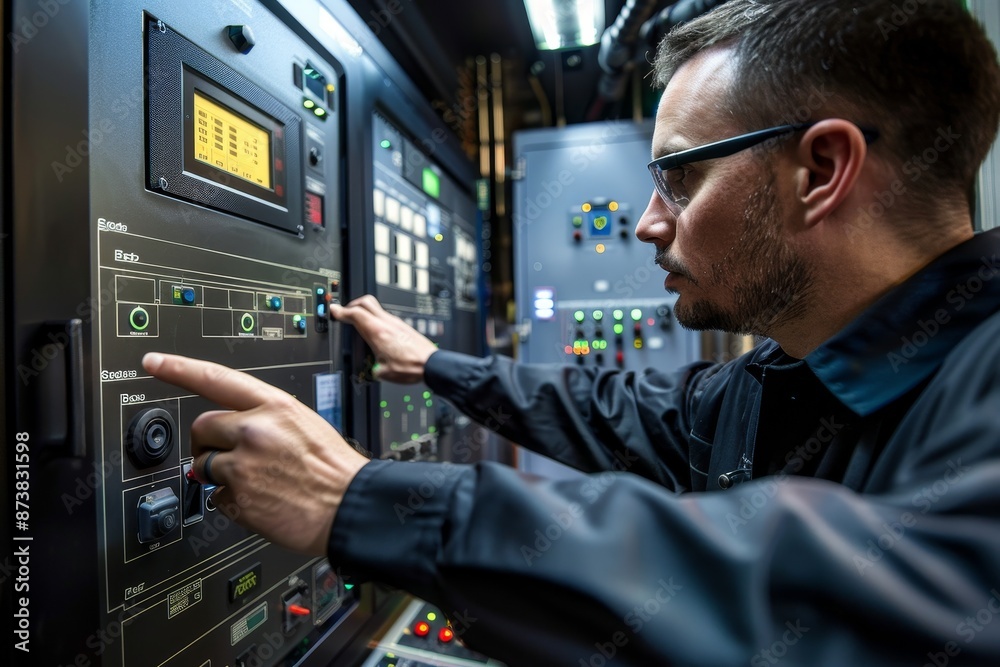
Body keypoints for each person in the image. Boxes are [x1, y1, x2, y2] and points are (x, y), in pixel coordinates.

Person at [143, 0, 1000, 664]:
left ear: (820, 169)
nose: (645, 224)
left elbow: (825, 604)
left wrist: (357, 501)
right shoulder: (781, 380)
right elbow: (614, 406)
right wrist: (437, 363)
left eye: (681, 177)